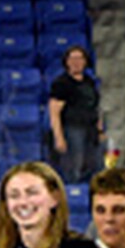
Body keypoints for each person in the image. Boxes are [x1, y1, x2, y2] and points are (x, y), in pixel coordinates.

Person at [47, 46, 102, 185]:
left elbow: (95, 106)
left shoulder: (89, 81)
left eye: (79, 58)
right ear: (66, 62)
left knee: (95, 167)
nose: (76, 62)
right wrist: (59, 138)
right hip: (72, 130)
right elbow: (54, 112)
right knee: (74, 168)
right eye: (72, 59)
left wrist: (100, 129)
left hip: (91, 130)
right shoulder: (61, 83)